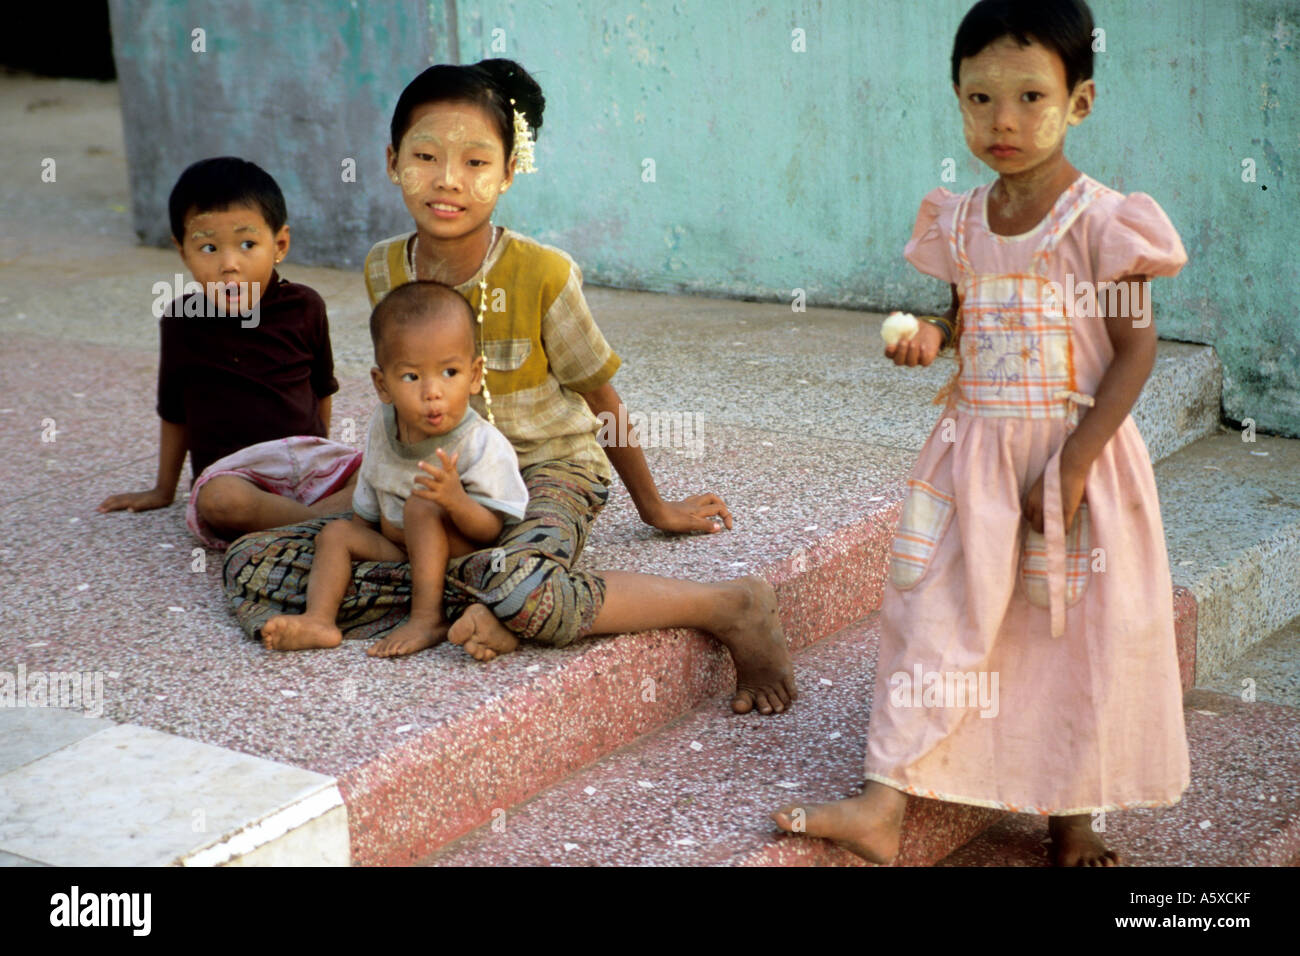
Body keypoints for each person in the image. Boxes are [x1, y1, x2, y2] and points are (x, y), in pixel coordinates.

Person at [224, 59, 795, 715]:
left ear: (507, 172)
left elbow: (600, 398)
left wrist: (655, 509)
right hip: (439, 485)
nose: (446, 180)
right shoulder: (385, 266)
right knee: (252, 566)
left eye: (474, 162)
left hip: (549, 472)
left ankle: (730, 604)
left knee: (529, 591)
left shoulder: (544, 274)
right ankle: (477, 602)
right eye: (426, 156)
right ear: (391, 161)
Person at [774, 0, 1190, 864]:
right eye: (980, 99)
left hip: (1076, 463)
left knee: (1071, 636)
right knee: (930, 616)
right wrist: (934, 340)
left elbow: (1136, 352)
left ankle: (1071, 816)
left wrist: (1075, 463)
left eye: (1031, 97)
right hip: (973, 463)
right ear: (957, 98)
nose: (1003, 121)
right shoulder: (960, 220)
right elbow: (972, 315)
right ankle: (882, 804)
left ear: (1080, 103)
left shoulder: (1106, 223)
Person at [96, 157, 360, 549]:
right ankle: (322, 522)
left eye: (248, 244)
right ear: (182, 252)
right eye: (207, 247)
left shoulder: (306, 307)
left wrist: (322, 460)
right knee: (218, 503)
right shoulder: (181, 321)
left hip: (304, 461)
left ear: (280, 245)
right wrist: (162, 489)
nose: (229, 265)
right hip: (234, 474)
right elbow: (174, 411)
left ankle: (302, 520)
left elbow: (322, 390)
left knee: (377, 474)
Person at [262, 281, 528, 656]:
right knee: (337, 533)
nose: (432, 391)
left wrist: (454, 500)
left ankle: (426, 617)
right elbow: (370, 491)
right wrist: (355, 550)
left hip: (460, 551)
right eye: (411, 377)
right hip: (400, 548)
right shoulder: (383, 423)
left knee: (422, 504)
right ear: (382, 384)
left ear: (475, 374)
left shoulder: (480, 442)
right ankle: (320, 620)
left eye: (449, 372)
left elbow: (492, 529)